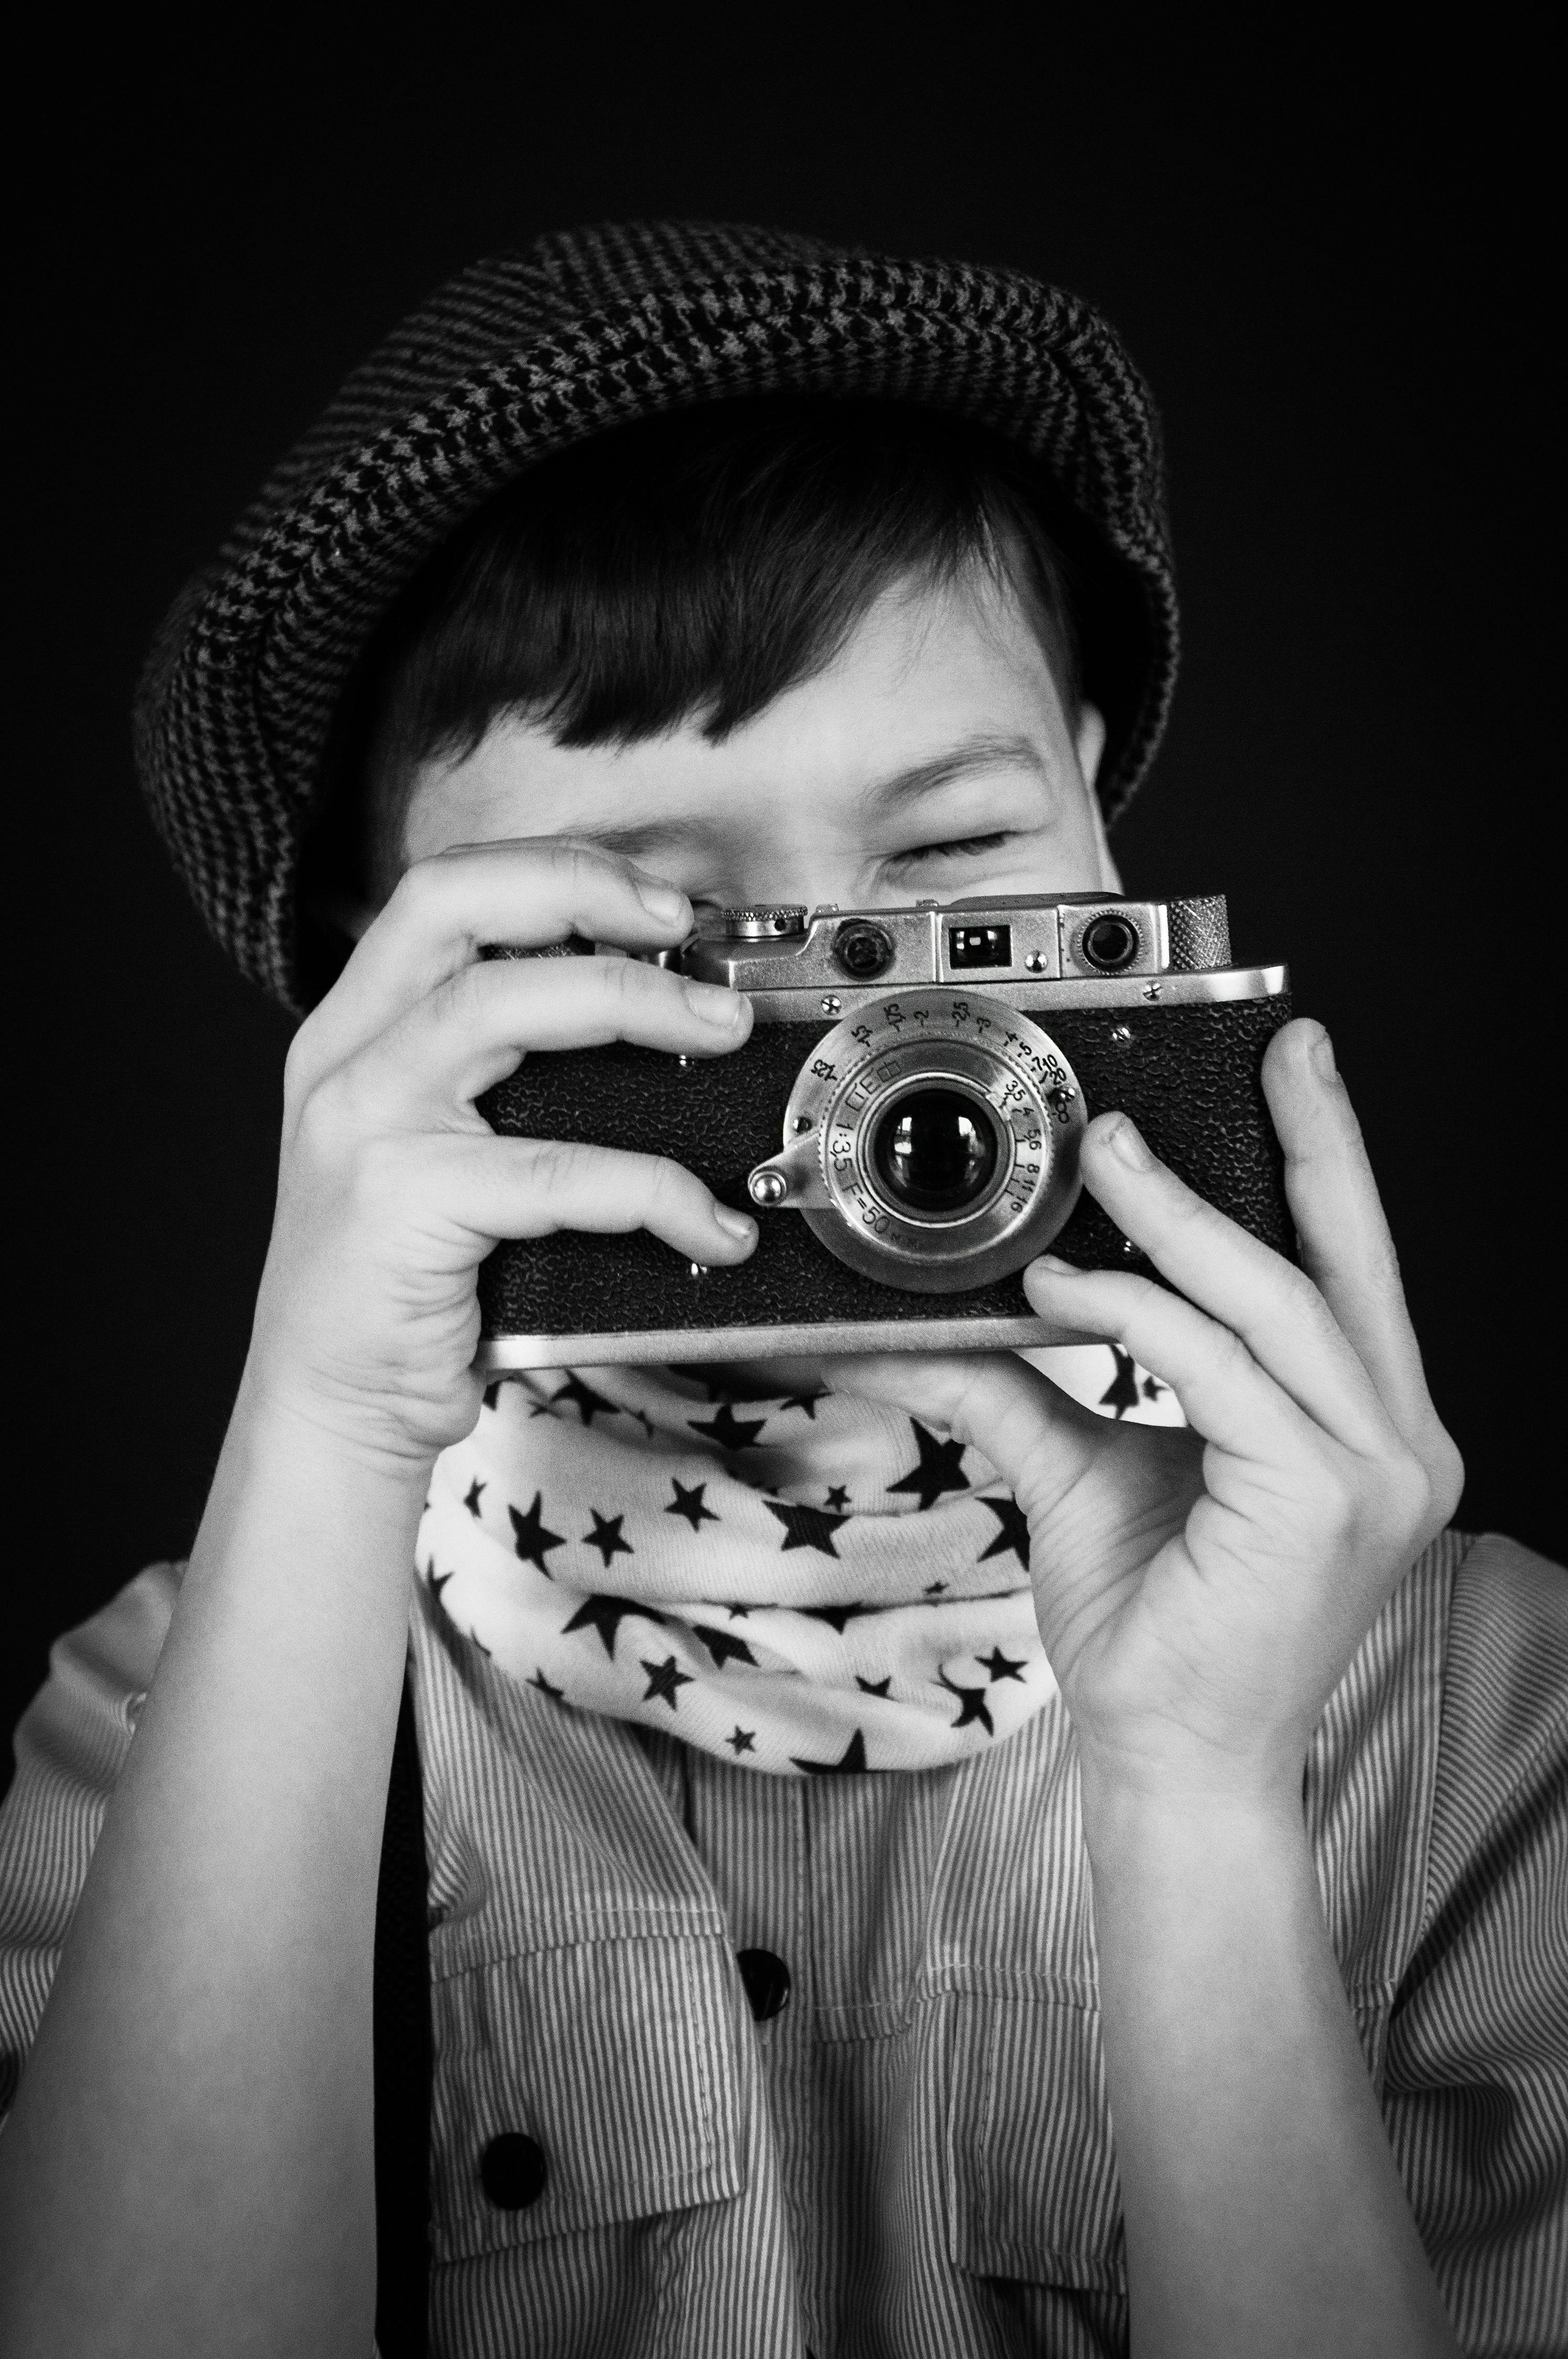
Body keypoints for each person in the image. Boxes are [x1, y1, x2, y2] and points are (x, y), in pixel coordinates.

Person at [0, 221, 1562, 2359]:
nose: (857, 1025)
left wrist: (1201, 1791)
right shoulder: (166, 1724)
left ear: (1101, 831)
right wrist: (324, 1427)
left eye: (953, 867)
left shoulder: (1482, 1721)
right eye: (648, 925)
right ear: (390, 987)